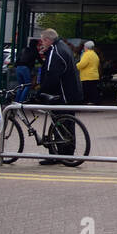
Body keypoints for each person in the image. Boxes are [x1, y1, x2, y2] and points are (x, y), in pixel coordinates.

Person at [36, 28, 83, 165]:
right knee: (68, 124)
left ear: (47, 40)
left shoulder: (55, 52)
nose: (42, 44)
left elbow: (52, 76)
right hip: (72, 93)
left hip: (63, 95)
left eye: (42, 41)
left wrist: (40, 92)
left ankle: (58, 155)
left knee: (59, 124)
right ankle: (67, 154)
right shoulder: (63, 48)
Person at [14, 36, 39, 102]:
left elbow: (18, 58)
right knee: (28, 85)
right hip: (25, 68)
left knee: (21, 85)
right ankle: (22, 101)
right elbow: (40, 60)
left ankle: (17, 101)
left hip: (18, 68)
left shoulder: (24, 49)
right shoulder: (34, 50)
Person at [77, 40, 101, 104]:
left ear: (86, 47)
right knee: (93, 90)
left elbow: (82, 64)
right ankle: (95, 102)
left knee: (87, 90)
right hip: (94, 75)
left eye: (84, 47)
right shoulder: (94, 54)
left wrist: (75, 66)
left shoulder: (87, 54)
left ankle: (89, 102)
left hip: (87, 76)